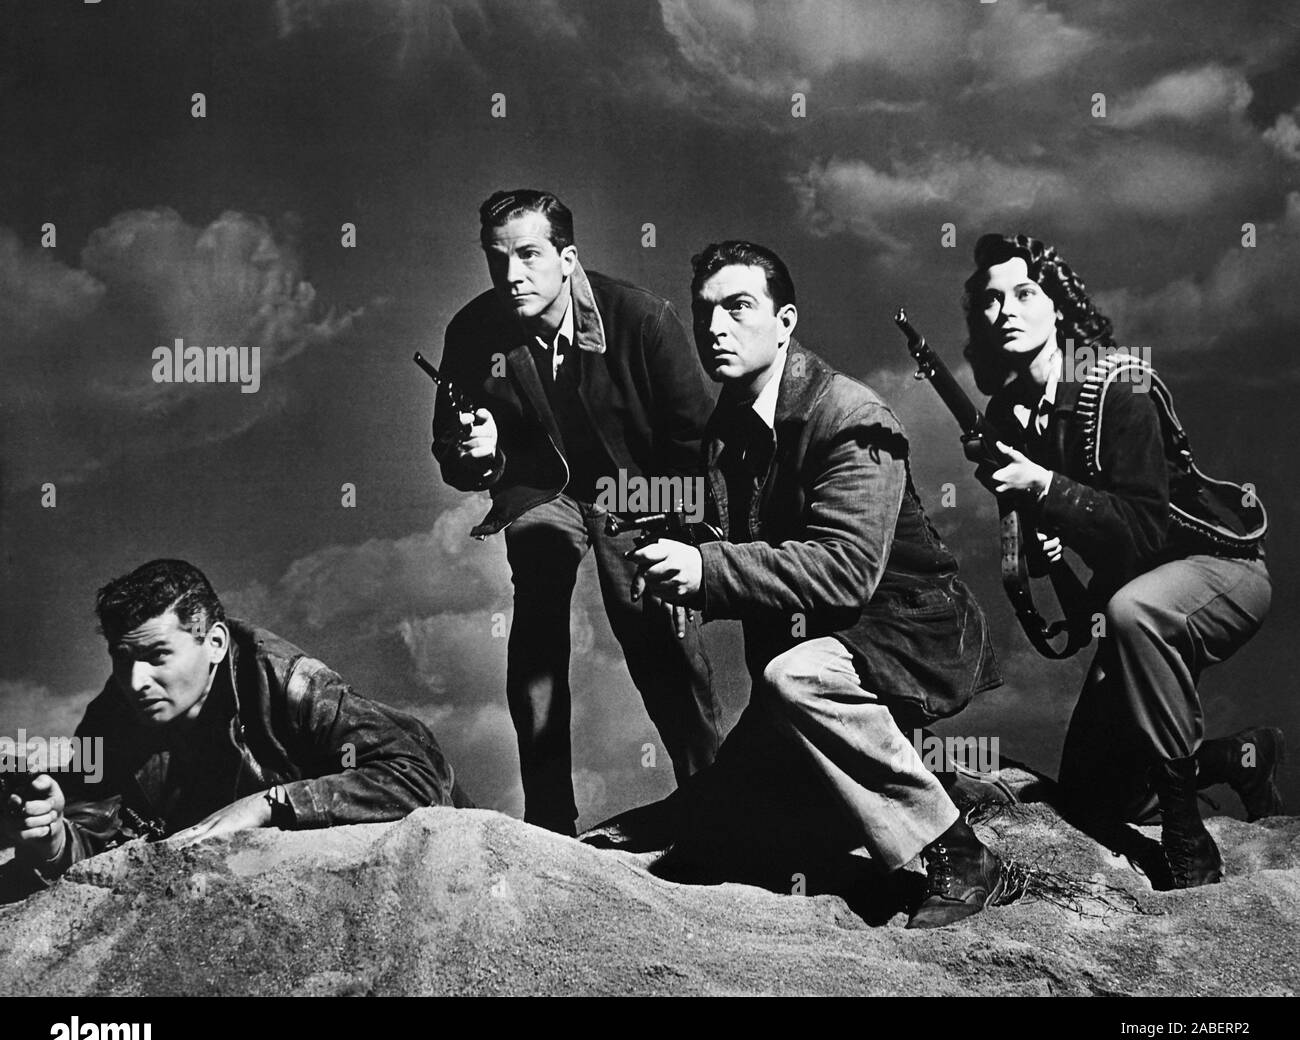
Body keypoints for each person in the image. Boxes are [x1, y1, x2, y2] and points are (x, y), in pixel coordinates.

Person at [630, 240, 1007, 929]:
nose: (714, 327)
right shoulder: (728, 430)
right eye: (704, 311)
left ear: (785, 321)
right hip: (821, 645)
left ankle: (961, 852)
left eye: (738, 307)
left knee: (796, 681)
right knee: (710, 819)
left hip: (904, 632)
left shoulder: (851, 417)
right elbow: (753, 537)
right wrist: (691, 549)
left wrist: (710, 572)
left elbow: (846, 568)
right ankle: (942, 780)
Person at [961, 232, 1281, 889]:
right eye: (990, 301)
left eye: (1025, 292)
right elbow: (1077, 543)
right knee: (1089, 797)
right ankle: (1239, 759)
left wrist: (1045, 488)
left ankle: (1190, 842)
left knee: (1135, 612)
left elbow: (1140, 530)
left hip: (1221, 572)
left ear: (1057, 306)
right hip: (1134, 599)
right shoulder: (1008, 416)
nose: (1005, 310)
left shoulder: (1118, 386)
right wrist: (1036, 531)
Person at [430, 189, 723, 836]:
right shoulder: (472, 333)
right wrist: (476, 455)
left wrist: (686, 540)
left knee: (656, 632)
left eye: (529, 255)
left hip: (640, 495)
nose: (512, 276)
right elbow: (451, 457)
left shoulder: (643, 320)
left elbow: (696, 443)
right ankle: (550, 824)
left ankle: (713, 800)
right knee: (535, 622)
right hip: (543, 491)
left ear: (568, 259)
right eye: (497, 258)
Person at [1, 559, 468, 885]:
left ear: (216, 643)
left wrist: (269, 805)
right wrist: (54, 838)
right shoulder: (113, 718)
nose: (135, 680)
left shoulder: (286, 681)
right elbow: (97, 835)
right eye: (122, 660)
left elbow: (417, 776)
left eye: (157, 656)